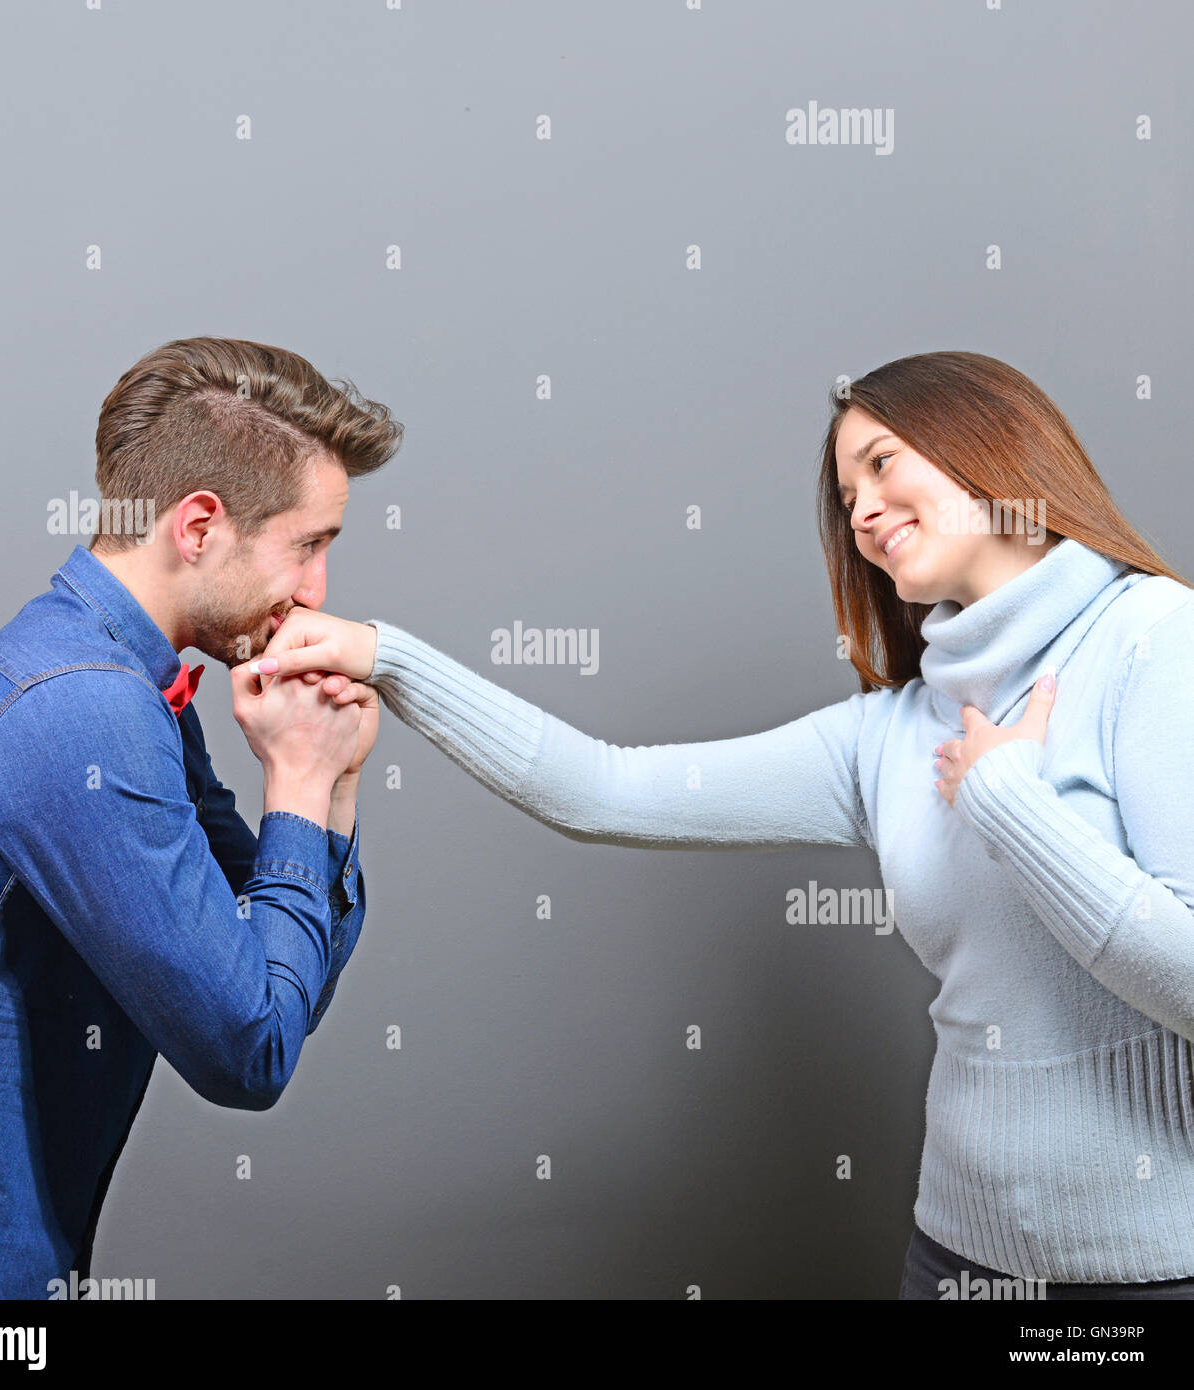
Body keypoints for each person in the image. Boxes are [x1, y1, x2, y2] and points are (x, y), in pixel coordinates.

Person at [254, 350, 1194, 1299]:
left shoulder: (1153, 640)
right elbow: (605, 790)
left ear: (992, 443)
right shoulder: (890, 733)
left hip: (1144, 1280)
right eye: (843, 491)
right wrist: (387, 657)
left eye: (881, 462)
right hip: (953, 1261)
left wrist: (1009, 803)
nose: (860, 510)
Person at [0, 336, 397, 1299]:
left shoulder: (126, 682)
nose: (318, 594)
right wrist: (297, 783)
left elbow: (276, 982)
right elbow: (246, 1048)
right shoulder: (78, 709)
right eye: (310, 544)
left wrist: (332, 782)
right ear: (199, 525)